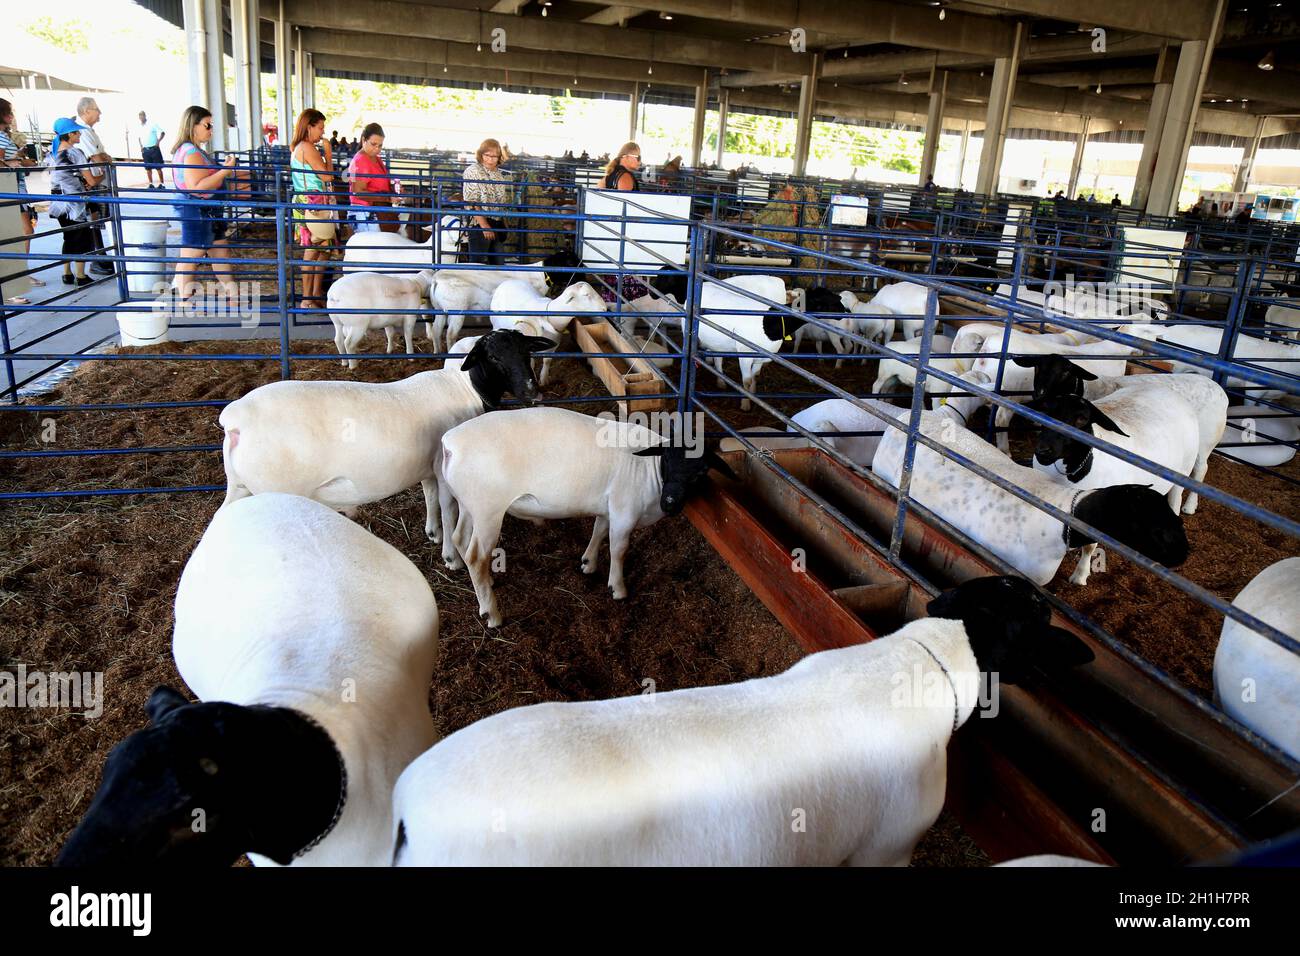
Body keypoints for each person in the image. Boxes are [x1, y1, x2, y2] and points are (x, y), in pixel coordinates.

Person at [170, 105, 240, 300]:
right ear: (193, 125)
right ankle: (184, 300)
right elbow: (197, 186)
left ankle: (233, 296)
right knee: (191, 255)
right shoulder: (191, 152)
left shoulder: (192, 150)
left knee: (219, 252)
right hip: (199, 210)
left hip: (206, 210)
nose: (211, 130)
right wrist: (225, 171)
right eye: (207, 125)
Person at [45, 118, 100, 287]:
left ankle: (67, 273)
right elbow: (91, 181)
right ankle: (81, 276)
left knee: (68, 236)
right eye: (76, 132)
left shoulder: (51, 154)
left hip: (57, 200)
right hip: (74, 201)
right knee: (80, 237)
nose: (80, 134)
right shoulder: (76, 153)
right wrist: (103, 173)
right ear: (69, 134)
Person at [289, 108, 335, 310]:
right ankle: (306, 298)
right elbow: (327, 176)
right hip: (312, 201)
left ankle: (315, 293)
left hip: (314, 200)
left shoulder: (300, 146)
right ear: (309, 127)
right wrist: (328, 153)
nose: (322, 133)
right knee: (312, 249)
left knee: (323, 249)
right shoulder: (307, 147)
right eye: (320, 127)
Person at [1, 98, 45, 303]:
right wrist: (14, 161)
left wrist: (20, 159)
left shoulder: (5, 136)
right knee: (15, 236)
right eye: (10, 113)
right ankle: (11, 285)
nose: (12, 116)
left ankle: (19, 273)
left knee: (25, 232)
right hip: (7, 190)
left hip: (17, 189)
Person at [75, 96, 115, 276]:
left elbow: (103, 155)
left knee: (97, 219)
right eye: (97, 109)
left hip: (98, 179)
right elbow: (97, 157)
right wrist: (104, 159)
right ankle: (97, 256)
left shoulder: (88, 131)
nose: (100, 113)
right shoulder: (82, 132)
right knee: (94, 219)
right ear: (86, 111)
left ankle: (100, 255)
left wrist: (104, 158)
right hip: (93, 181)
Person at [463, 137, 511, 264]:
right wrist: (484, 226)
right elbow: (471, 201)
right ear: (481, 154)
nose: (490, 159)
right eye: (487, 155)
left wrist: (503, 222)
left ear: (499, 156)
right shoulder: (473, 171)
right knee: (478, 264)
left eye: (495, 156)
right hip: (479, 223)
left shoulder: (499, 174)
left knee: (499, 265)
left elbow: (502, 200)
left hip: (497, 222)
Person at [348, 123, 393, 233]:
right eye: (373, 144)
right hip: (365, 213)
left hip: (375, 210)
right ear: (364, 140)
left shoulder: (376, 159)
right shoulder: (361, 160)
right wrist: (387, 198)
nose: (377, 149)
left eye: (380, 145)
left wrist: (393, 189)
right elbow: (358, 192)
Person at [138, 111, 167, 188]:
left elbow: (162, 132)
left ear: (145, 116)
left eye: (142, 115)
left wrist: (158, 141)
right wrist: (141, 146)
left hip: (154, 149)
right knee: (148, 168)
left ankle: (162, 184)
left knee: (158, 167)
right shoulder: (139, 127)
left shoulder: (152, 124)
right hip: (145, 150)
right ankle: (151, 184)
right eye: (140, 116)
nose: (141, 117)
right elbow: (139, 138)